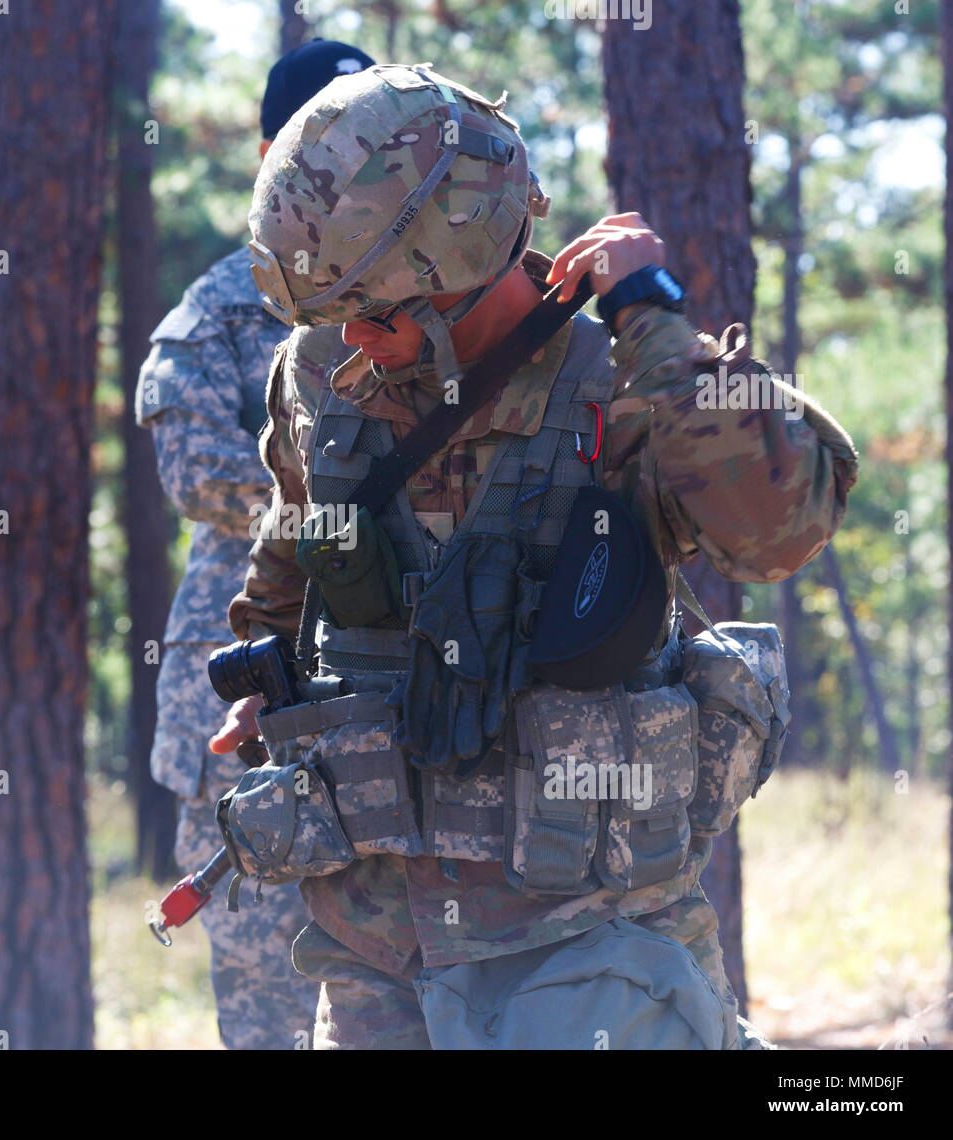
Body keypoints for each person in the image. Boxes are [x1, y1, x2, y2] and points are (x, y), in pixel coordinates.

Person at [213, 62, 858, 1049]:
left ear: (453, 267)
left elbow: (776, 529)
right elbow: (300, 544)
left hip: (591, 952)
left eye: (375, 312)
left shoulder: (627, 386)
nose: (352, 337)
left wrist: (650, 313)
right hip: (376, 958)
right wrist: (266, 673)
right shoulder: (322, 379)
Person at [135, 39, 375, 1050]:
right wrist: (341, 510)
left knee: (393, 973)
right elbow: (194, 470)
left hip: (385, 667)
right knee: (264, 981)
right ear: (270, 149)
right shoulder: (223, 306)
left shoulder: (421, 297)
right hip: (246, 673)